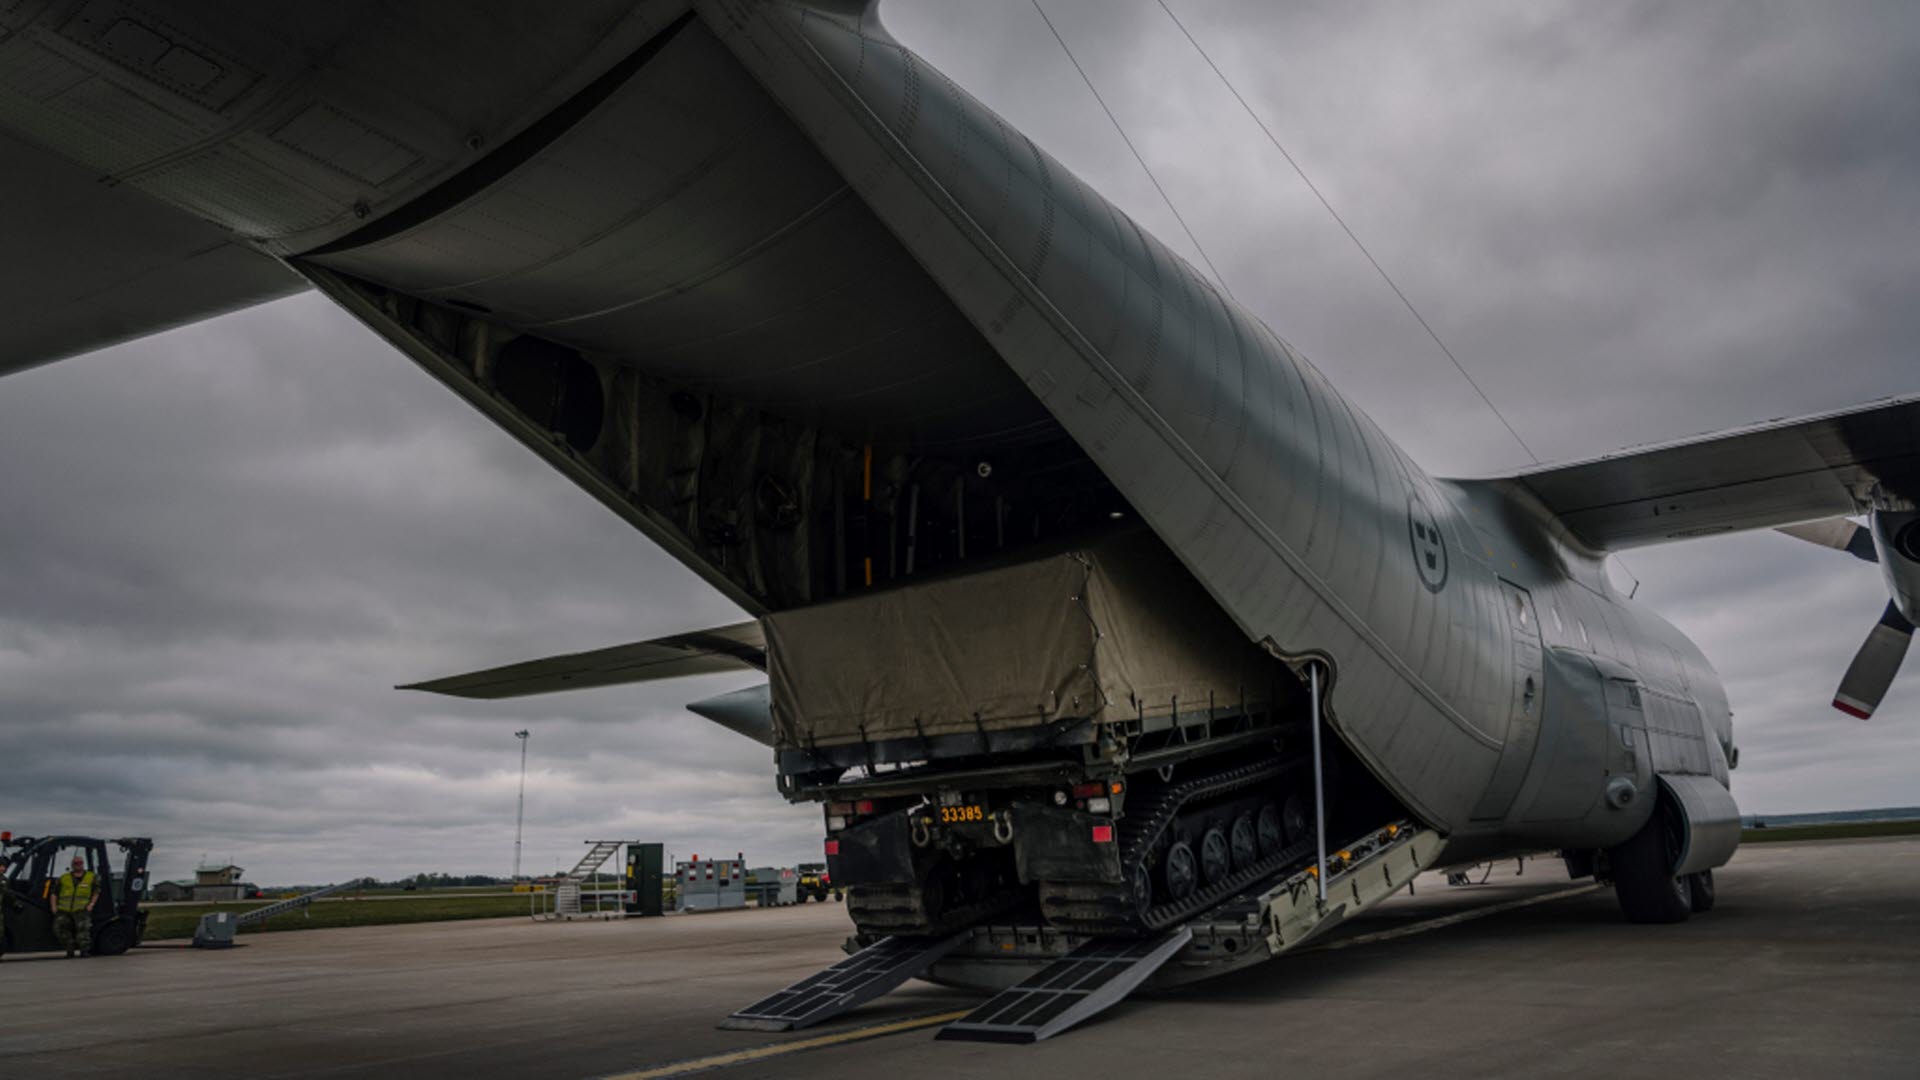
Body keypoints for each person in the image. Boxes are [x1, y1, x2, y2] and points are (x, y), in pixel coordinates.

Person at [52, 853, 97, 958]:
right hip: (64, 909)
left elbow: (96, 892)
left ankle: (84, 951)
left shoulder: (91, 877)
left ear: (83, 864)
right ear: (72, 865)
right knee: (58, 929)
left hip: (81, 909)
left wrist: (91, 904)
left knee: (83, 931)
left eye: (80, 863)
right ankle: (70, 949)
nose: (78, 865)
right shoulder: (64, 878)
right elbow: (54, 893)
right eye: (76, 863)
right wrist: (54, 907)